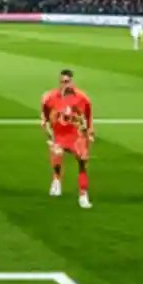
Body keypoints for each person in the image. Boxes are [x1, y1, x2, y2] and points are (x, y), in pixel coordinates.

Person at [40, 69, 95, 209]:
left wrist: (90, 131)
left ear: (72, 81)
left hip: (76, 136)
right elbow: (45, 113)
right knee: (57, 156)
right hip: (59, 135)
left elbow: (89, 115)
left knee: (83, 162)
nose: (65, 84)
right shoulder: (51, 97)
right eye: (62, 82)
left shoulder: (82, 98)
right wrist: (47, 130)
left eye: (67, 81)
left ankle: (83, 195)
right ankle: (57, 180)